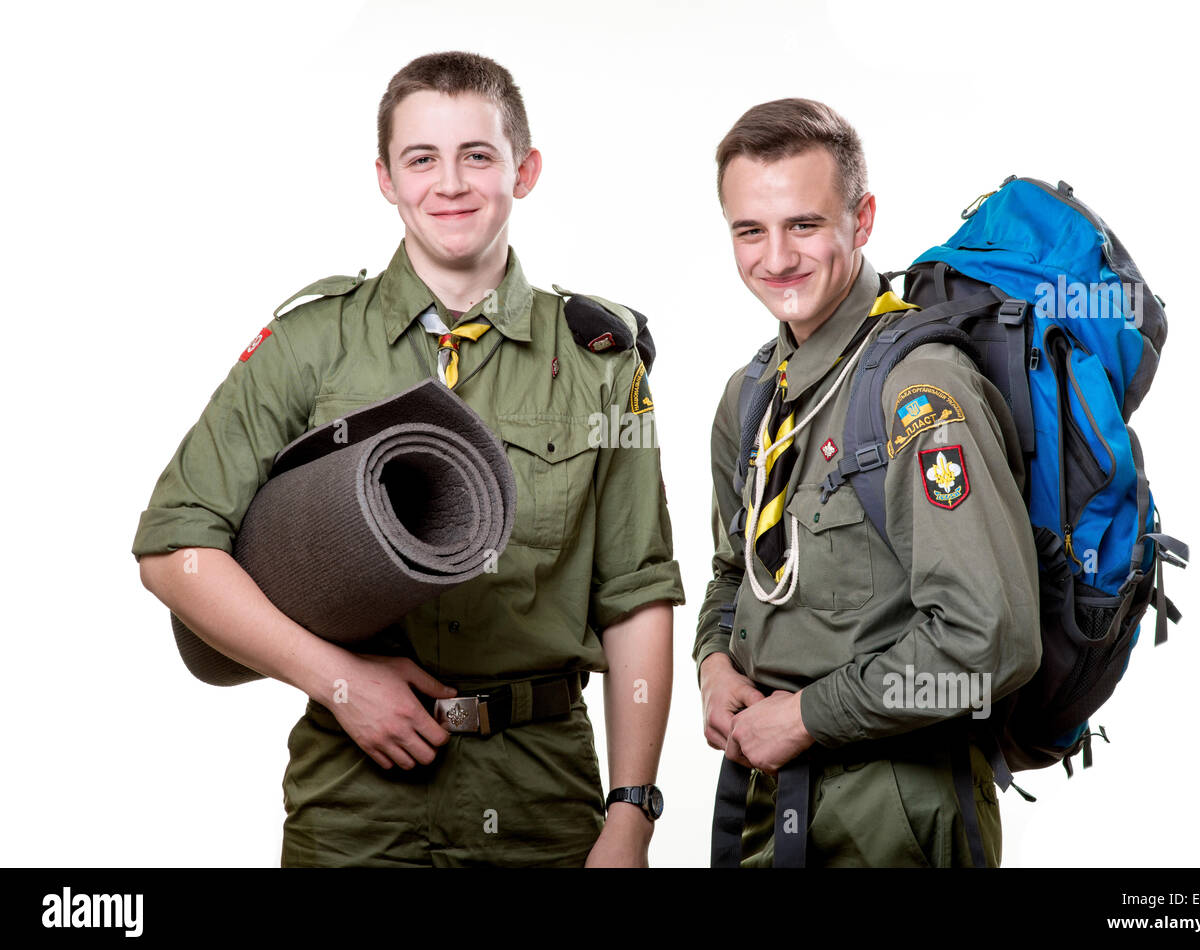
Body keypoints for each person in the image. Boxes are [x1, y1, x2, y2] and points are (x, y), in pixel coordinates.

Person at [133, 51, 684, 868]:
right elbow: (174, 547)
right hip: (354, 799)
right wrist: (339, 682)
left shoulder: (602, 361)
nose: (450, 183)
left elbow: (635, 591)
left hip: (539, 792)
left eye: (478, 155)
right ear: (386, 178)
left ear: (524, 171)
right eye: (422, 158)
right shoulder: (311, 343)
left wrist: (632, 812)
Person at [694, 98, 1042, 867]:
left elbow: (989, 640)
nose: (776, 256)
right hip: (765, 797)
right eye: (750, 229)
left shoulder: (919, 390)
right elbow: (736, 572)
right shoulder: (749, 395)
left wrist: (810, 715)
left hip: (896, 810)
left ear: (862, 218)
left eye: (805, 225)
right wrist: (715, 665)